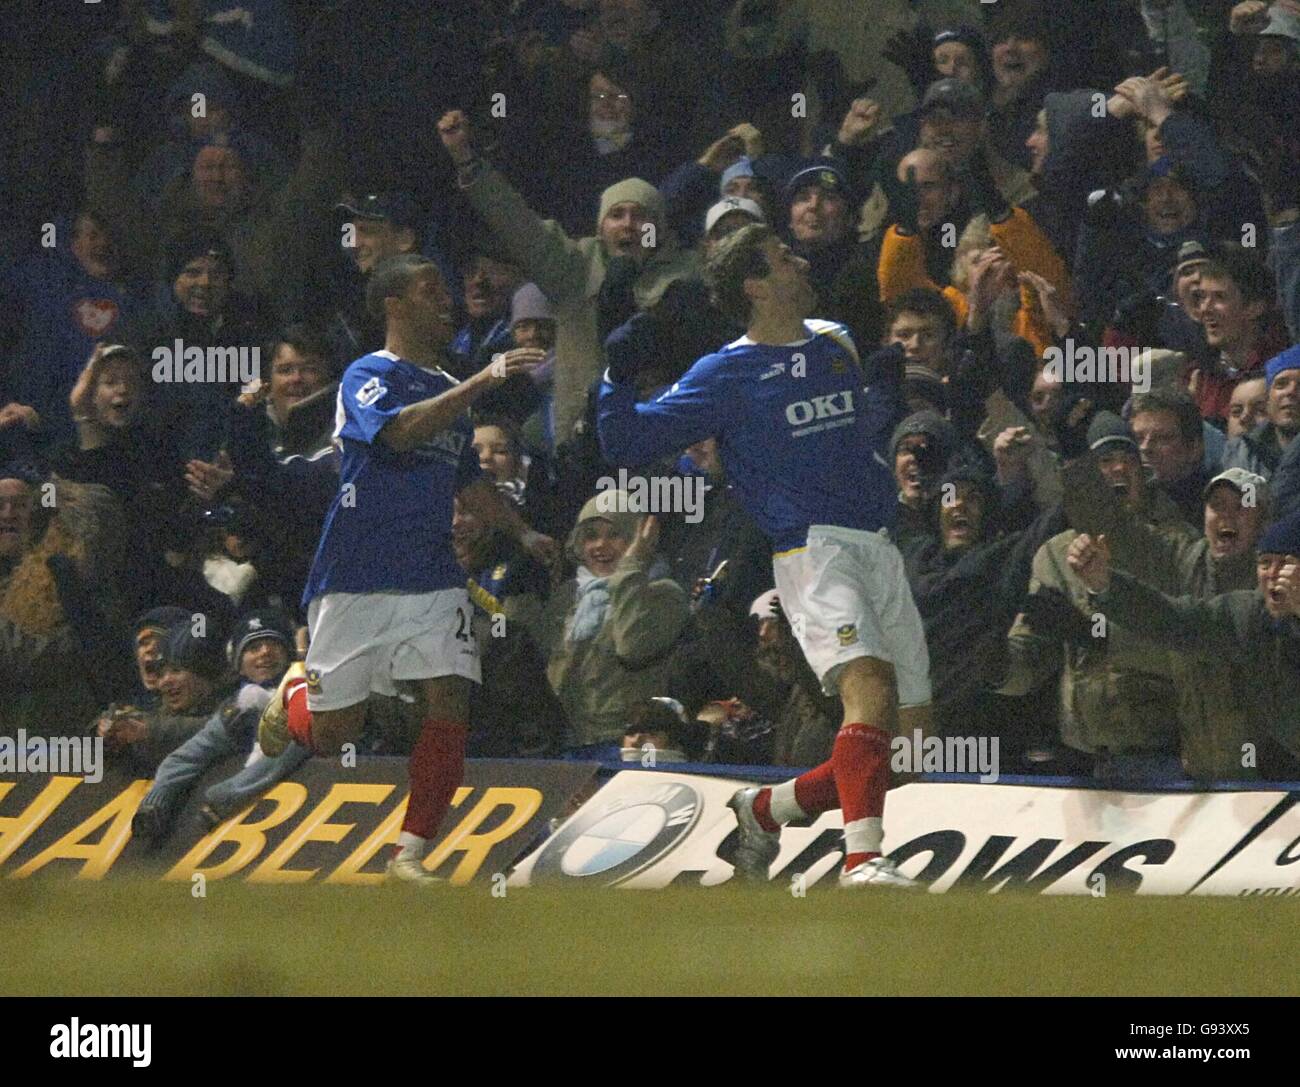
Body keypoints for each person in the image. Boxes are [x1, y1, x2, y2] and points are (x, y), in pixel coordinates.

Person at [599, 222, 931, 889]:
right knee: (867, 686)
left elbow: (852, 431)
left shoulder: (836, 340)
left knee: (913, 750)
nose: (799, 259)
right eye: (784, 256)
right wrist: (614, 372)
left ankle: (765, 807)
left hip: (877, 546)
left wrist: (886, 401)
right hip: (812, 549)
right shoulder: (725, 373)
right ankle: (863, 859)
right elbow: (625, 444)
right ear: (754, 284)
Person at [282, 253, 555, 885]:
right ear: (394, 305)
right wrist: (482, 381)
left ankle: (409, 853)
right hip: (357, 570)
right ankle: (292, 694)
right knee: (331, 733)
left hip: (432, 573)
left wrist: (524, 531)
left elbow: (462, 478)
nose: (446, 302)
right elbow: (400, 434)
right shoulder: (367, 374)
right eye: (430, 292)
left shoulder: (448, 389)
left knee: (451, 698)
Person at [1068, 513, 1300, 779]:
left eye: (1286, 564)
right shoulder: (1249, 615)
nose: (1272, 574)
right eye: (1264, 563)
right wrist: (1105, 584)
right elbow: (1174, 620)